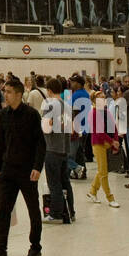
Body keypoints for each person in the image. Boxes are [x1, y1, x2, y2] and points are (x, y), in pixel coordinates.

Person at [0, 79, 46, 256]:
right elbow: (0, 144)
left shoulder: (32, 115)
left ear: (20, 94)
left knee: (33, 210)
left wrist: (37, 166)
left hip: (28, 171)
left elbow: (40, 143)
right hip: (7, 170)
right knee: (2, 211)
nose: (6, 94)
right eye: (5, 91)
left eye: (10, 92)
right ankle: (0, 251)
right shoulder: (3, 115)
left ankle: (35, 247)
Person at [41, 79, 75, 224]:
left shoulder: (49, 105)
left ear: (48, 90)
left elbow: (46, 127)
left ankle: (56, 214)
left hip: (52, 147)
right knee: (65, 181)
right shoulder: (67, 105)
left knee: (54, 183)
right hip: (64, 147)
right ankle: (70, 211)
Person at [85, 91, 120, 208]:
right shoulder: (93, 113)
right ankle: (110, 198)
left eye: (103, 97)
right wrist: (112, 141)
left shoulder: (107, 112)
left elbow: (114, 126)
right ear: (94, 100)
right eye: (99, 97)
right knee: (104, 172)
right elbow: (98, 132)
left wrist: (115, 141)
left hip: (109, 143)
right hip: (98, 144)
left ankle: (92, 191)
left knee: (101, 170)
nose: (102, 99)